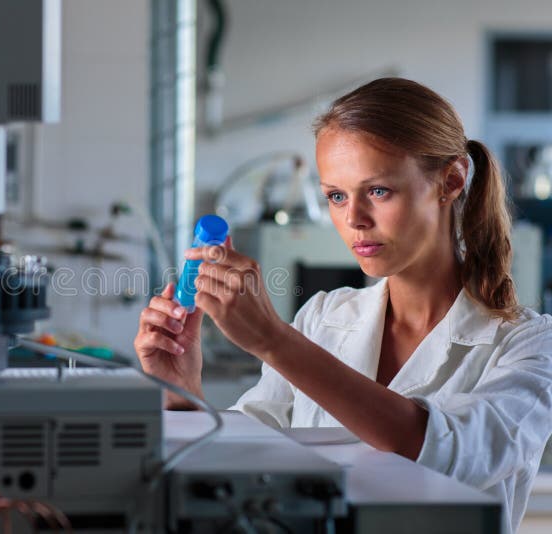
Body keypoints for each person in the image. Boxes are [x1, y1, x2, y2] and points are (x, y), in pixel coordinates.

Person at [134, 77, 552, 534]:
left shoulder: (529, 345)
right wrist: (184, 397)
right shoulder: (323, 317)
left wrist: (274, 340)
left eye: (378, 191)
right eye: (336, 195)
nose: (353, 218)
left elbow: (444, 453)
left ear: (451, 181)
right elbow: (249, 454)